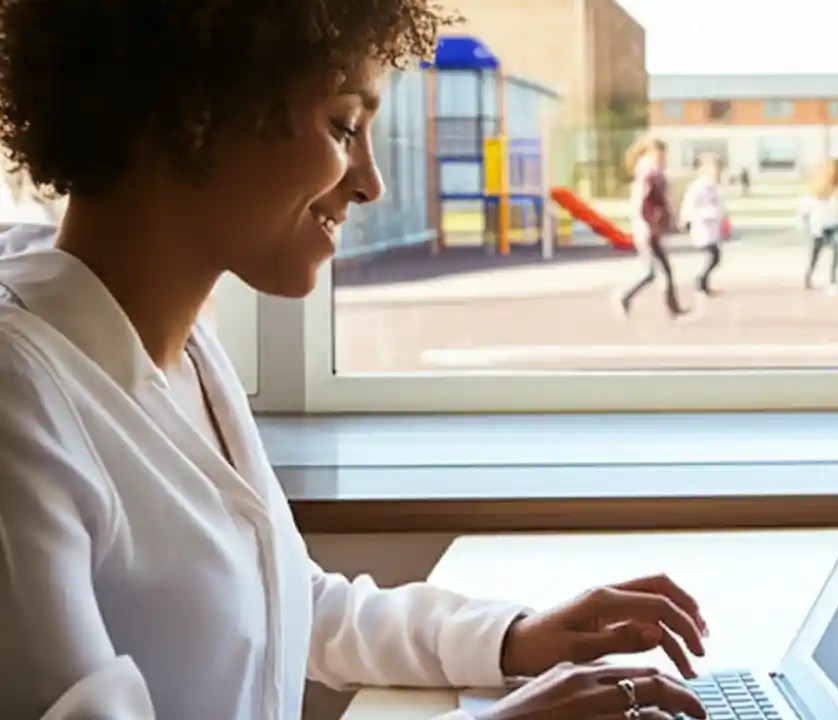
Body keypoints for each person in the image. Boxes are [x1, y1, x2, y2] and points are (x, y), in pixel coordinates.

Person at [0, 3, 709, 719]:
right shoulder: (18, 403)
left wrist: (511, 638)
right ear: (200, 111)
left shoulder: (183, 353)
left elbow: (283, 601)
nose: (370, 182)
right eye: (343, 127)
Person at [617, 136, 686, 318]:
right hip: (647, 231)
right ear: (651, 154)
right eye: (660, 155)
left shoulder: (652, 174)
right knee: (655, 272)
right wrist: (653, 224)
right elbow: (646, 205)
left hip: (650, 230)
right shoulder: (650, 175)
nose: (663, 159)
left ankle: (672, 307)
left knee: (658, 271)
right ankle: (625, 297)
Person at [679, 153, 729, 296]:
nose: (716, 172)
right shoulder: (699, 186)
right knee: (714, 254)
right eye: (714, 169)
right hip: (702, 224)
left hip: (711, 225)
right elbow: (689, 203)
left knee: (715, 255)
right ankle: (701, 281)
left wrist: (722, 216)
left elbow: (718, 203)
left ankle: (702, 281)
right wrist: (685, 218)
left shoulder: (714, 186)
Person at [799, 160, 838, 295]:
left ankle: (832, 279)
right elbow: (805, 211)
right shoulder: (813, 194)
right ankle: (809, 275)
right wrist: (807, 225)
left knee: (836, 251)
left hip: (832, 226)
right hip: (819, 227)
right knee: (816, 254)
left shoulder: (836, 193)